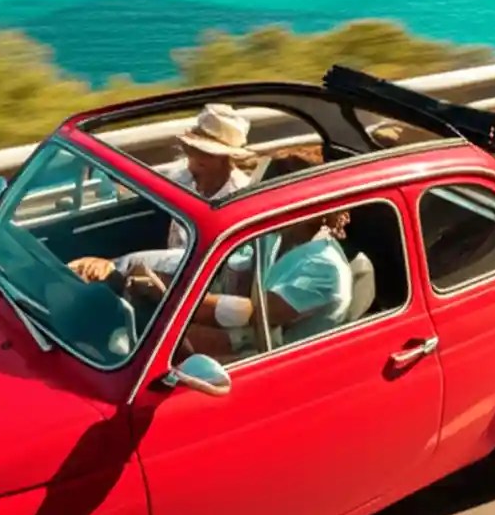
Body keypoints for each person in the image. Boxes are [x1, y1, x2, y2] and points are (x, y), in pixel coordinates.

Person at [129, 153, 354, 361]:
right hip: (251, 337)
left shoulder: (325, 268)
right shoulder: (276, 236)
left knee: (152, 341)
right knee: (145, 325)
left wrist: (167, 293)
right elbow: (236, 280)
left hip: (276, 360)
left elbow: (253, 314)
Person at [68, 103, 255, 282]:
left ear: (222, 159)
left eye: (203, 154)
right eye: (192, 150)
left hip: (200, 282)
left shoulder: (239, 197)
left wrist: (120, 265)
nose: (192, 159)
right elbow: (146, 180)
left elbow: (204, 257)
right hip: (167, 273)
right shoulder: (184, 174)